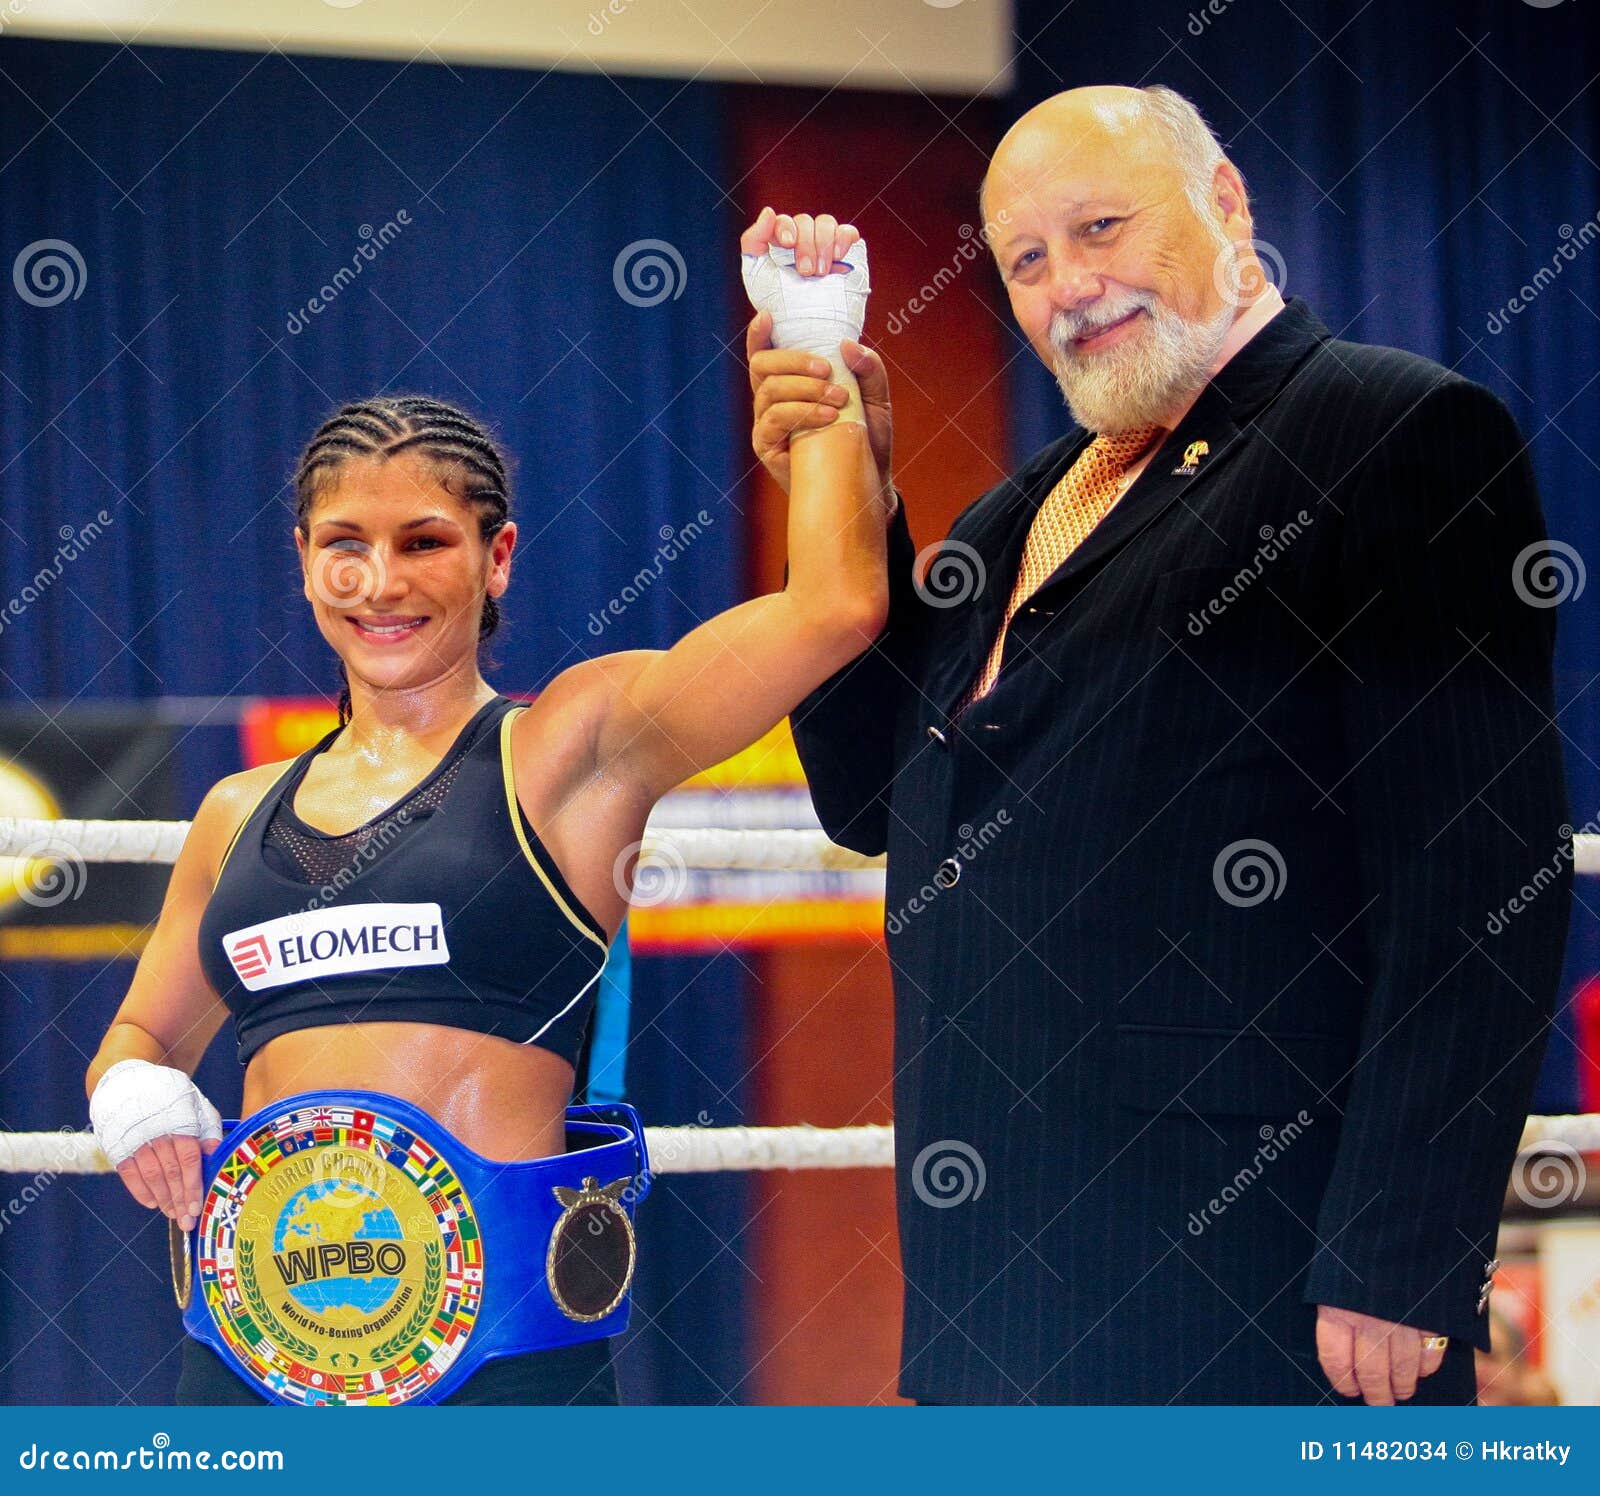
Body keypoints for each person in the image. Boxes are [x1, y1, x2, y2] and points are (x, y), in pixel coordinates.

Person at [751, 85, 1573, 1404]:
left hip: (1260, 1290)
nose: (1069, 286)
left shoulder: (1392, 433)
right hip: (994, 1294)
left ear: (1226, 204)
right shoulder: (1019, 515)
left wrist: (1402, 1255)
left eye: (1100, 227)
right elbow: (866, 801)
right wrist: (850, 490)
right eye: (1026, 260)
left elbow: (1480, 887)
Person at [84, 216, 887, 1405]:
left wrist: (816, 359)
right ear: (304, 558)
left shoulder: (571, 747)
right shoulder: (235, 812)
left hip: (505, 1368)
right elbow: (138, 1036)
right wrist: (132, 1096)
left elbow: (833, 609)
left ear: (497, 556)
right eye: (344, 544)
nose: (382, 581)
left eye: (425, 541)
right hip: (252, 1361)